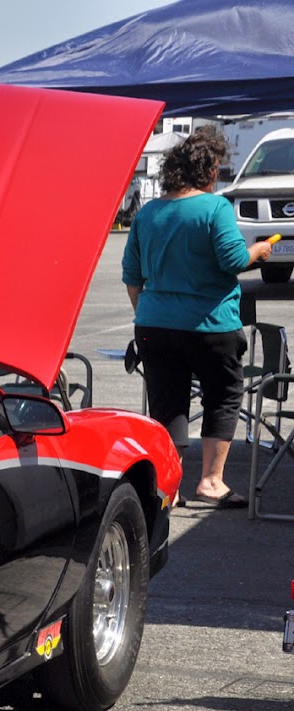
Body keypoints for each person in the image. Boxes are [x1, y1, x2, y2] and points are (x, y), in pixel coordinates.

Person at [122, 127, 275, 508]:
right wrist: (258, 250)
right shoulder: (215, 207)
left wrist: (149, 313)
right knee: (222, 396)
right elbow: (233, 261)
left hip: (155, 325)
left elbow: (132, 276)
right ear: (209, 170)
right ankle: (211, 482)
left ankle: (168, 488)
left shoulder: (149, 212)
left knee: (168, 404)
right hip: (209, 325)